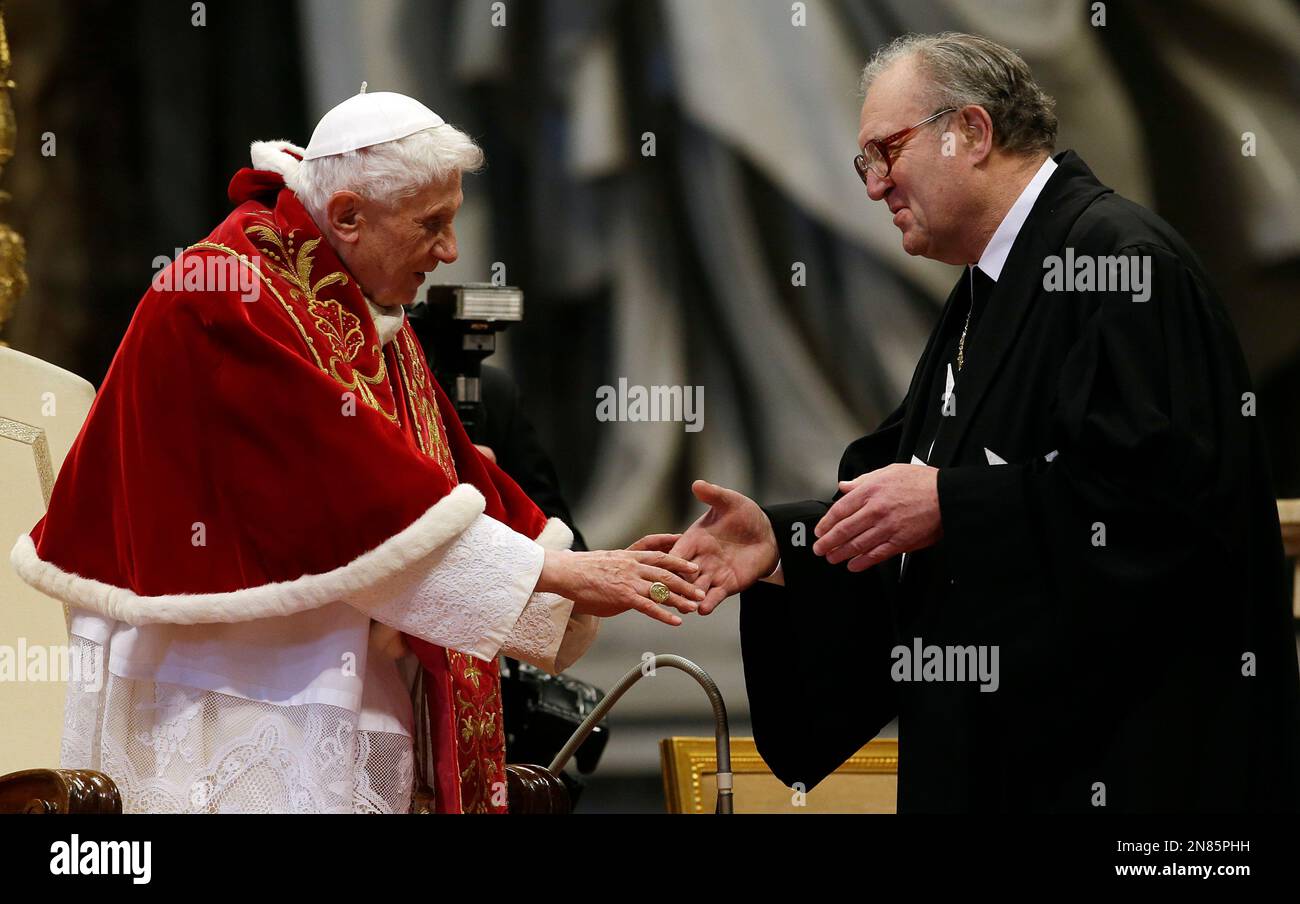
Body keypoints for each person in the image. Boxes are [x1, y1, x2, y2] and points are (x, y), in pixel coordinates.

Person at [643, 33, 1300, 812]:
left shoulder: (1120, 263)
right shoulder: (992, 288)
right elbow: (920, 484)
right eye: (864, 164)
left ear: (973, 133)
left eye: (886, 152)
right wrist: (786, 543)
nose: (874, 186)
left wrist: (952, 504)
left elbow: (1164, 506)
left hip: (1129, 776)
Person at [10, 88, 702, 814]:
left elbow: (434, 486)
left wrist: (573, 579)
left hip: (328, 688)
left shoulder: (347, 305)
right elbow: (348, 506)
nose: (451, 251)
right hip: (231, 701)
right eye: (431, 225)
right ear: (346, 215)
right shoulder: (224, 295)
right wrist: (560, 573)